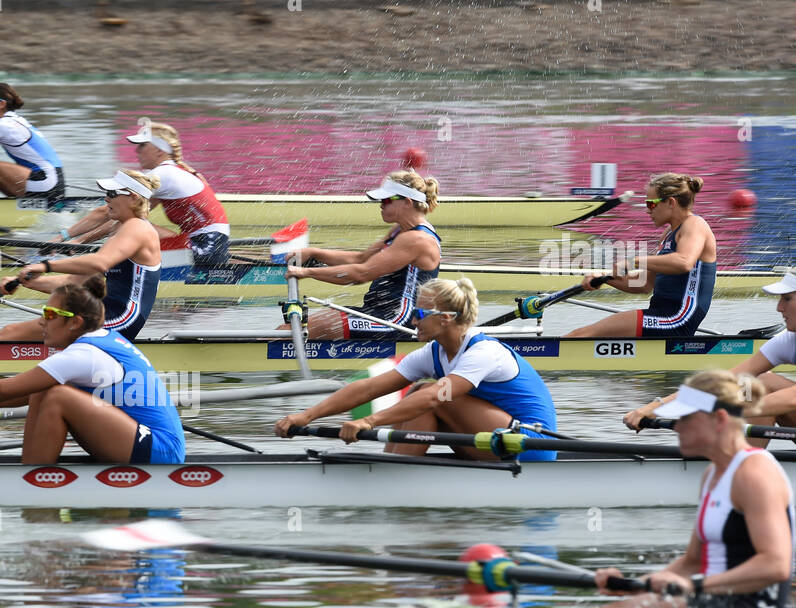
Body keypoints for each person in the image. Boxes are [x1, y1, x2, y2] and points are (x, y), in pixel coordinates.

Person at [545, 371, 793, 608]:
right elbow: (692, 562)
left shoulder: (754, 474)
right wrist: (635, 585)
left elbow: (775, 566)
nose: (677, 427)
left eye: (686, 419)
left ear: (720, 420)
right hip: (709, 601)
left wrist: (694, 586)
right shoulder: (713, 474)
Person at [0, 277, 185, 466]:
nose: (42, 322)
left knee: (57, 396)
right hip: (143, 441)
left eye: (50, 315)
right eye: (43, 313)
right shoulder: (100, 340)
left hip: (160, 451)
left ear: (75, 322)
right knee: (45, 390)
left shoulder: (83, 355)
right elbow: (21, 392)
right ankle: (34, 471)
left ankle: (33, 479)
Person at [274, 277, 558, 462]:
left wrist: (368, 422)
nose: (412, 321)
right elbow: (369, 388)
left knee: (430, 395)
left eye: (419, 314)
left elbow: (436, 397)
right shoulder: (432, 353)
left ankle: (394, 476)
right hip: (492, 440)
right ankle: (393, 465)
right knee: (419, 394)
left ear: (445, 318)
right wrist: (305, 415)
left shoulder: (484, 352)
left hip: (531, 447)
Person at [0, 169, 161, 342]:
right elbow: (73, 282)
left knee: (9, 334)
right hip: (105, 314)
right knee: (9, 331)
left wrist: (46, 266)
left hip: (120, 319)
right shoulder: (120, 229)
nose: (106, 199)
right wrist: (24, 281)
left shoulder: (137, 228)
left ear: (133, 197)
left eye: (111, 194)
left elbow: (100, 262)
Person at [623, 269, 796, 433]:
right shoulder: (786, 341)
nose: (779, 307)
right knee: (754, 382)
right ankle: (745, 453)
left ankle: (744, 452)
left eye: (787, 299)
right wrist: (657, 407)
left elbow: (792, 398)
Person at [283, 169, 440, 340]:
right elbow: (360, 259)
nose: (381, 204)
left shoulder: (417, 239)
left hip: (397, 322)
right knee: (298, 326)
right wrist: (314, 252)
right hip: (376, 312)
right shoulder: (399, 230)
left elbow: (361, 274)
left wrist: (306, 272)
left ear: (407, 202)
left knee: (302, 328)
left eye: (387, 200)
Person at [58, 122, 230, 266]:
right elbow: (127, 213)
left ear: (159, 150)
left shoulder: (163, 175)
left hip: (205, 249)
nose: (137, 151)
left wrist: (69, 238)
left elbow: (106, 212)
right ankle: (102, 260)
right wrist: (79, 240)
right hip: (212, 246)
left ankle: (99, 265)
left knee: (127, 225)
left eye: (142, 145)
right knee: (131, 222)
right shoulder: (172, 172)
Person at [567, 172, 715, 338]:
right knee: (580, 335)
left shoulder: (695, 224)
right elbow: (644, 284)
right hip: (660, 316)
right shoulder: (668, 234)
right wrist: (604, 278)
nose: (647, 211)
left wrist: (632, 262)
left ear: (671, 203)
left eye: (650, 204)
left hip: (678, 319)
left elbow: (684, 262)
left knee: (579, 336)